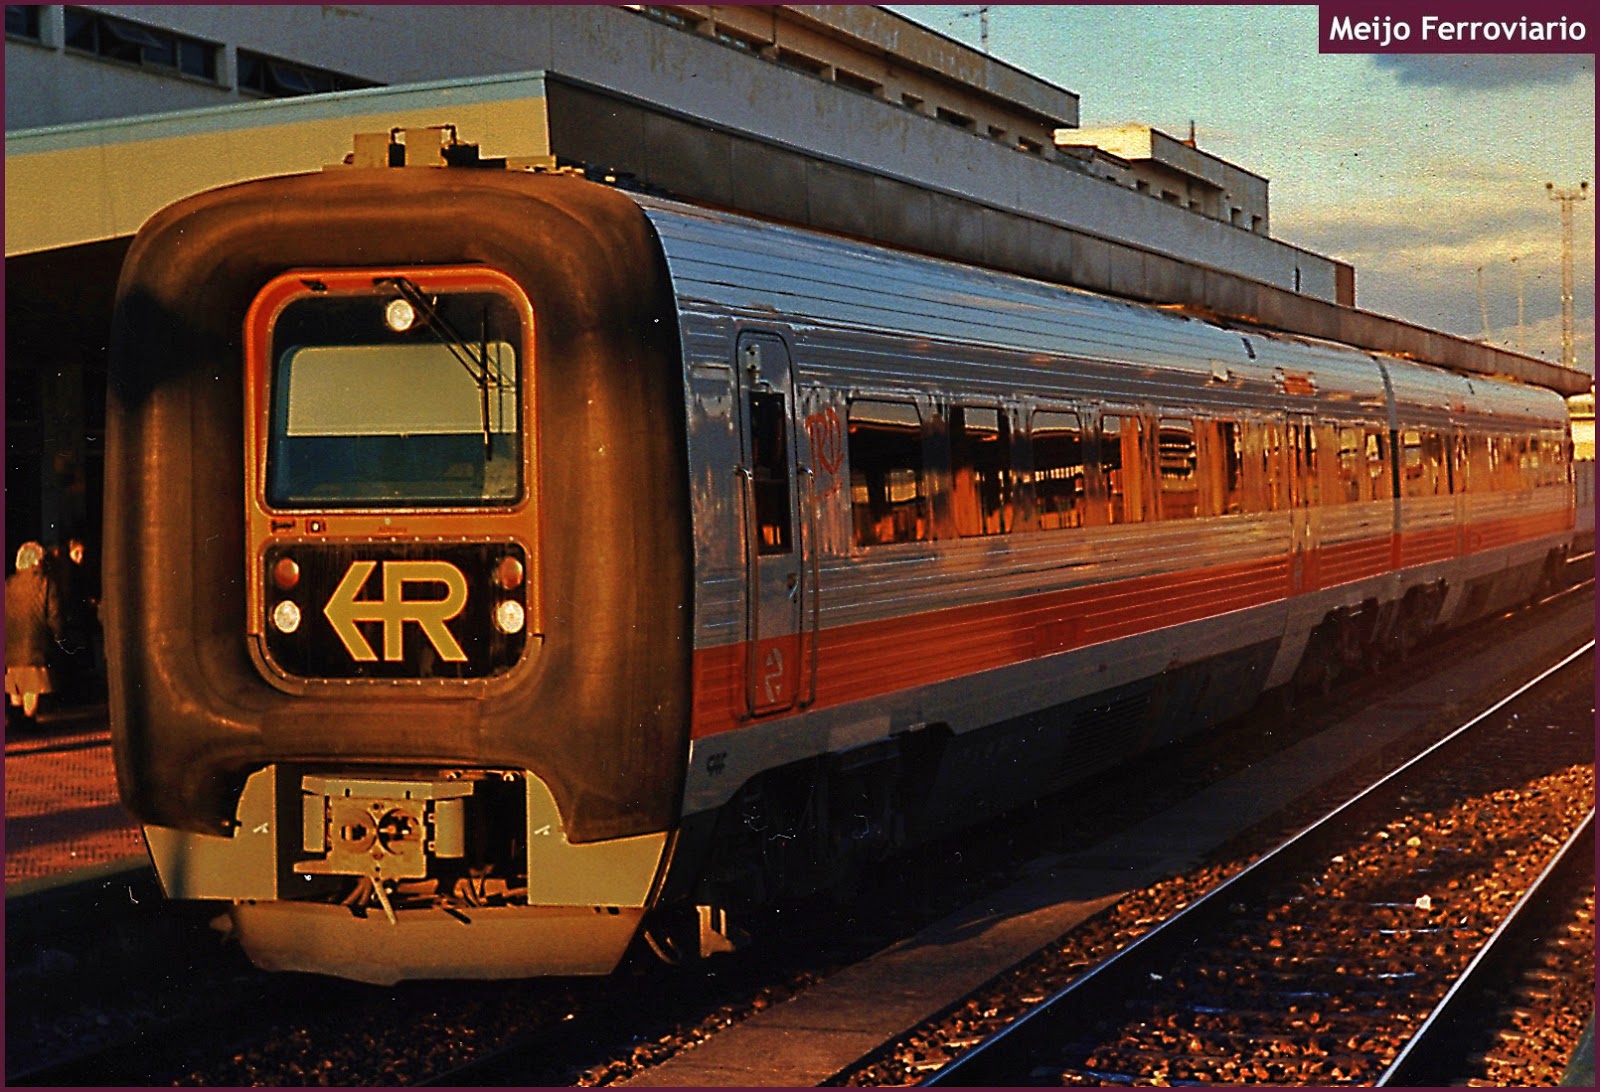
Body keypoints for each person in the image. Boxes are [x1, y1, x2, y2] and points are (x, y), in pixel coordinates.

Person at [6, 541, 63, 730]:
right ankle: (28, 721)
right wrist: (58, 636)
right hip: (35, 642)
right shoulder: (46, 583)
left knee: (15, 681)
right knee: (32, 682)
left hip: (11, 643)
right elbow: (54, 614)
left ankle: (16, 717)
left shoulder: (9, 583)